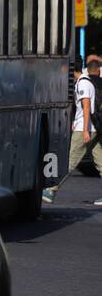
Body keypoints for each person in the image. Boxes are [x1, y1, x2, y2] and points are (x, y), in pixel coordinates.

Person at [44, 55, 102, 204]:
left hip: (85, 127)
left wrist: (84, 130)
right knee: (100, 162)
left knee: (70, 161)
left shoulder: (83, 84)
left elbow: (87, 107)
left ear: (71, 69)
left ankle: (51, 190)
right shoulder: (84, 82)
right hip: (90, 127)